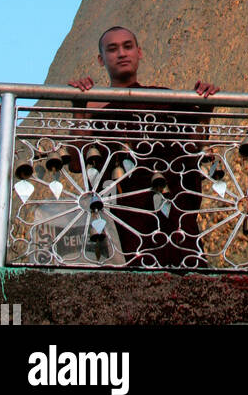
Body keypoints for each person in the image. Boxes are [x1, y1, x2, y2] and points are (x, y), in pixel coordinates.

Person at [67, 26, 218, 269]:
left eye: (128, 47)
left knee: (181, 262)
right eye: (112, 49)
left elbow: (194, 146)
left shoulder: (165, 98)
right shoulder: (92, 102)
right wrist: (79, 108)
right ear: (100, 59)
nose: (121, 54)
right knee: (129, 266)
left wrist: (206, 109)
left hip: (167, 198)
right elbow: (76, 162)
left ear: (139, 53)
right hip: (121, 204)